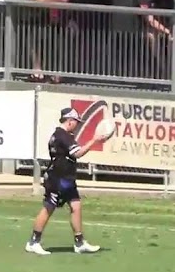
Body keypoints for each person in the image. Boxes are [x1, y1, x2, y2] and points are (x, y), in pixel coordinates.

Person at [26, 106, 112, 255]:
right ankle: (33, 242)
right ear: (70, 121)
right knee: (48, 208)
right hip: (57, 178)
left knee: (76, 206)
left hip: (66, 178)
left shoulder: (61, 135)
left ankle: (79, 243)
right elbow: (77, 153)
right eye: (76, 122)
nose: (77, 125)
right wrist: (94, 140)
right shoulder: (62, 135)